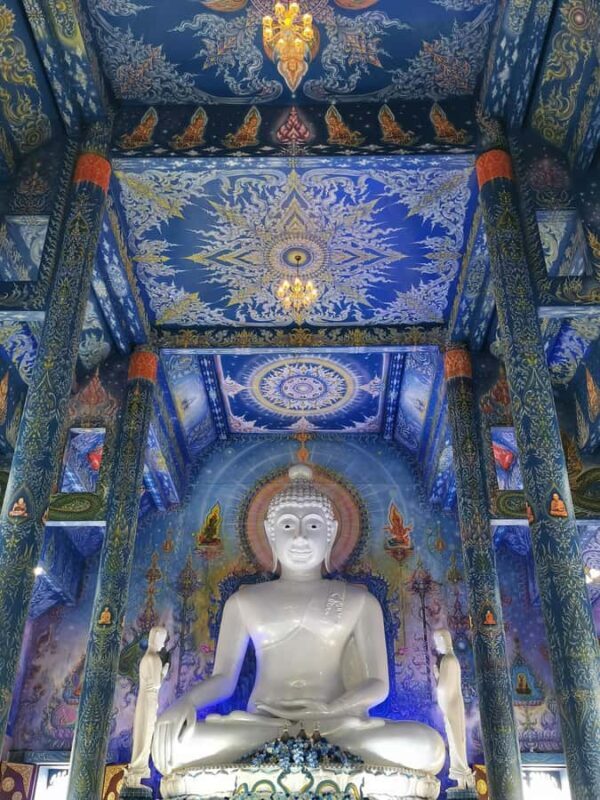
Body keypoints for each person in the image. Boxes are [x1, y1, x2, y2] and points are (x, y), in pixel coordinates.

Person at [152, 465, 445, 778]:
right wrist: (185, 704)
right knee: (171, 746)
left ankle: (295, 754)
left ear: (331, 533)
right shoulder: (244, 601)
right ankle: (314, 757)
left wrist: (333, 710)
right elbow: (224, 679)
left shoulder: (360, 601)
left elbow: (378, 685)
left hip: (336, 725)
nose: (301, 537)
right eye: (289, 525)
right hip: (263, 724)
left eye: (314, 526)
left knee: (429, 746)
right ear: (270, 533)